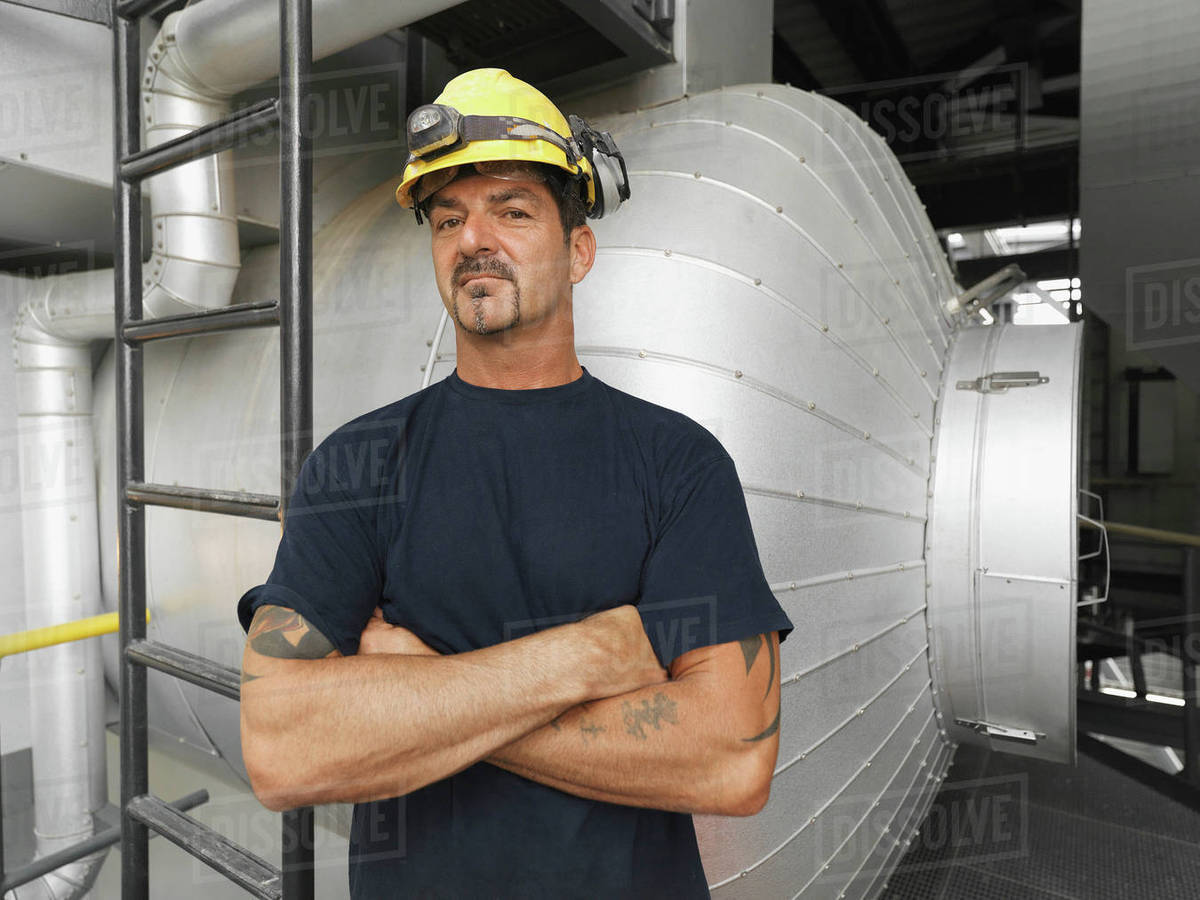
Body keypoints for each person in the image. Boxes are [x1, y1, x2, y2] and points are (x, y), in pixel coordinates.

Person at [237, 68, 794, 899]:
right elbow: (281, 746)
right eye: (449, 218)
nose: (472, 239)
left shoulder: (677, 463)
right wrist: (594, 653)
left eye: (514, 209)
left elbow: (734, 756)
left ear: (579, 250)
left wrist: (417, 682)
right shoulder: (360, 463)